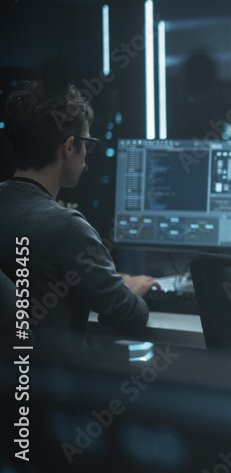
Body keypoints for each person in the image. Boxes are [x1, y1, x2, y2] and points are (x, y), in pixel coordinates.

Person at [0, 80, 156, 355]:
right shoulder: (66, 228)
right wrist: (126, 288)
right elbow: (131, 317)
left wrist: (102, 279)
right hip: (52, 390)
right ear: (69, 147)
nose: (87, 158)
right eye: (87, 144)